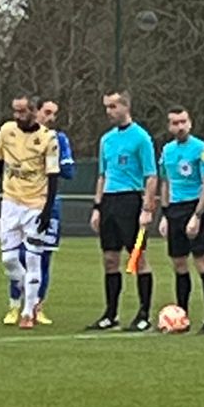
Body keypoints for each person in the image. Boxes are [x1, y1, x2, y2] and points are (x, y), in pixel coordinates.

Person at [0, 94, 60, 328]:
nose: (17, 116)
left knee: (33, 258)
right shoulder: (6, 131)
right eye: (15, 111)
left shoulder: (48, 138)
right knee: (9, 259)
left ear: (34, 112)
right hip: (10, 202)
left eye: (22, 111)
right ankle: (29, 289)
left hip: (35, 205)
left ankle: (28, 311)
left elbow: (53, 176)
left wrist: (47, 210)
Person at [89, 89, 158, 331]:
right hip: (109, 201)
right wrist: (97, 207)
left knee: (137, 257)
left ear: (126, 107)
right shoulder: (106, 140)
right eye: (106, 107)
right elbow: (102, 175)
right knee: (110, 259)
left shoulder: (141, 138)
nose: (109, 112)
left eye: (113, 106)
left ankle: (144, 314)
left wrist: (147, 208)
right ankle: (111, 314)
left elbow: (151, 175)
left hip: (130, 200)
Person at [159, 106, 204, 334]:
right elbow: (165, 183)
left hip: (194, 206)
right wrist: (165, 214)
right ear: (169, 126)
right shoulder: (167, 151)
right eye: (175, 123)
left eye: (183, 122)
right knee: (179, 263)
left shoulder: (202, 149)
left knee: (201, 261)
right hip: (174, 210)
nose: (180, 127)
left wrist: (197, 215)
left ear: (190, 123)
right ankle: (181, 317)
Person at [29, 99, 75, 325]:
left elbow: (68, 171)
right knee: (18, 256)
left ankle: (38, 306)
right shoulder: (20, 137)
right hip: (24, 202)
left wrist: (50, 159)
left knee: (44, 257)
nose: (51, 118)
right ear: (36, 112)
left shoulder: (59, 139)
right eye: (47, 112)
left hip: (51, 204)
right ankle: (16, 303)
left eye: (54, 114)